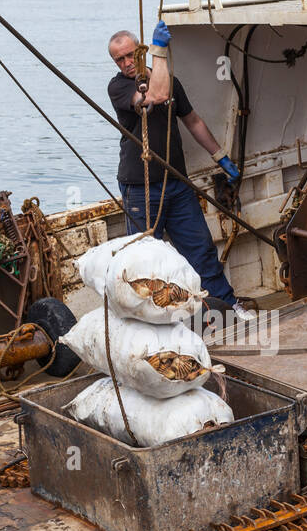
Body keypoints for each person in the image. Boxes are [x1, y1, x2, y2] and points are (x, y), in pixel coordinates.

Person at [107, 22, 253, 319]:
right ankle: (152, 322)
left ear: (141, 52)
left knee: (201, 249)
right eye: (119, 59)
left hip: (177, 183)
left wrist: (220, 156)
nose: (125, 64)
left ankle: (225, 307)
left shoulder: (172, 81)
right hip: (140, 188)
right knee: (146, 262)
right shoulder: (120, 87)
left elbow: (193, 120)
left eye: (130, 56)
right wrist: (160, 51)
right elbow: (156, 96)